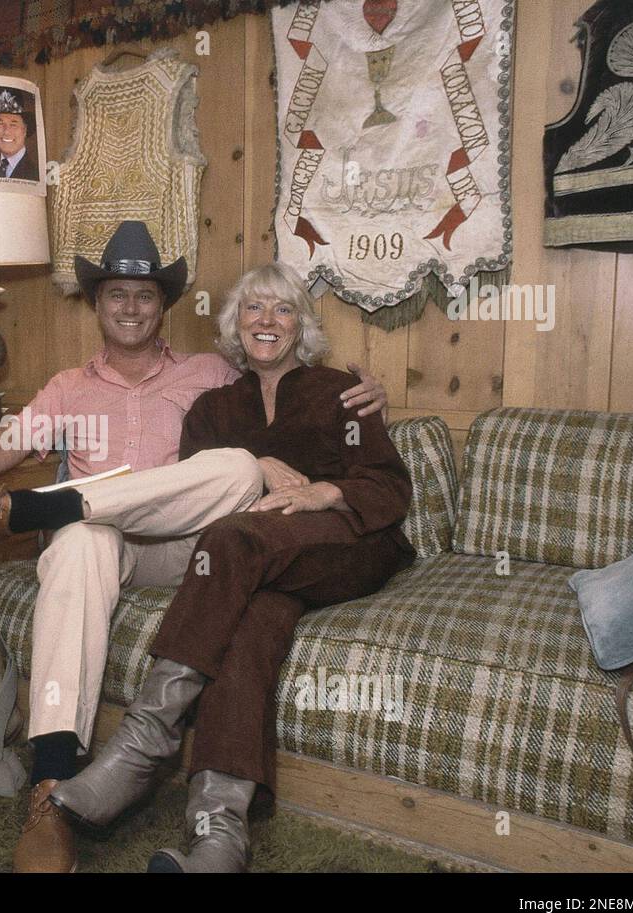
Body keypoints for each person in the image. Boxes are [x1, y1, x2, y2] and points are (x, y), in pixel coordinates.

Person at [0, 221, 389, 873]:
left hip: (192, 543)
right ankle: (51, 789)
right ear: (97, 303)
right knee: (79, 543)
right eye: (116, 295)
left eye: (144, 295)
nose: (130, 307)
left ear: (163, 307)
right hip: (111, 546)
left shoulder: (211, 372)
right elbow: (5, 443)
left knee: (240, 466)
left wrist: (365, 403)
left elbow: (286, 367)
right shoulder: (67, 389)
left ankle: (27, 512)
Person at [47, 263, 417, 872]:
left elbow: (386, 483)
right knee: (249, 622)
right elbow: (197, 497)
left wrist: (322, 493)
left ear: (301, 327)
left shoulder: (338, 391)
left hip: (346, 542)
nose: (266, 321)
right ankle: (218, 835)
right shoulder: (213, 409)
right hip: (258, 563)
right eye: (253, 309)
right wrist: (256, 463)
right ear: (234, 324)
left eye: (283, 309)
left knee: (232, 541)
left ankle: (144, 743)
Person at [0, 89, 39, 181]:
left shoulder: (36, 175)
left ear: (24, 130)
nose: (6, 132)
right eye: (0, 123)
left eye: (13, 124)